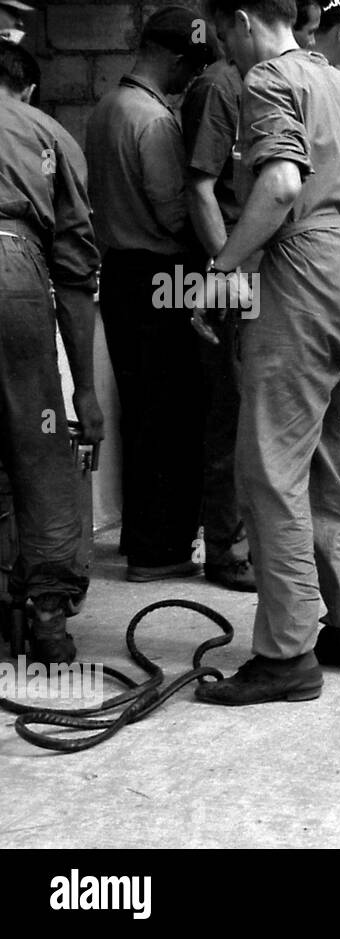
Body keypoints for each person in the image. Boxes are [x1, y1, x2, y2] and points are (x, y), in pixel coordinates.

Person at [194, 0, 340, 705]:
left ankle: (287, 652)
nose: (223, 51)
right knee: (339, 453)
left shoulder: (268, 81)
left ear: (238, 20)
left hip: (304, 276)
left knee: (270, 466)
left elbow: (283, 183)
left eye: (223, 35)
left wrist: (223, 268)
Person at [86, 7, 216, 584]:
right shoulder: (155, 121)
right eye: (188, 64)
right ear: (167, 54)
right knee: (174, 413)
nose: (191, 77)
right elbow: (173, 214)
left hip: (119, 275)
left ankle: (141, 536)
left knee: (142, 412)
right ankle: (158, 549)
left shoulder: (108, 108)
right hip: (161, 278)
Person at [0, 41, 103, 665]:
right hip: (12, 269)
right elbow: (74, 276)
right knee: (39, 447)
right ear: (28, 90)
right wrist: (83, 390)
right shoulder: (48, 133)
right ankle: (47, 619)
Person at [180, 26, 256, 590]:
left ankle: (246, 538)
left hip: (260, 266)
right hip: (232, 268)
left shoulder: (266, 81)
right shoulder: (220, 87)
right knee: (228, 420)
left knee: (253, 418)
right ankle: (226, 549)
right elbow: (202, 188)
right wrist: (222, 272)